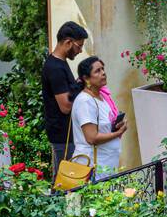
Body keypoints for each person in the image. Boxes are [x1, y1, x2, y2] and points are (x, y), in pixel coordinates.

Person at [42, 21, 88, 177]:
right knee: (66, 180)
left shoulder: (60, 63)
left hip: (67, 134)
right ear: (68, 42)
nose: (80, 51)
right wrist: (82, 84)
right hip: (62, 136)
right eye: (79, 46)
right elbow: (66, 106)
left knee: (69, 178)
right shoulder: (55, 68)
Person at [71, 56, 127, 178]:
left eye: (102, 69)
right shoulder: (85, 101)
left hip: (106, 163)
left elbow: (103, 127)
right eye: (97, 71)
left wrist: (117, 126)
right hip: (92, 166)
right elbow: (92, 138)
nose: (103, 73)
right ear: (86, 78)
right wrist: (118, 133)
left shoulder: (102, 98)